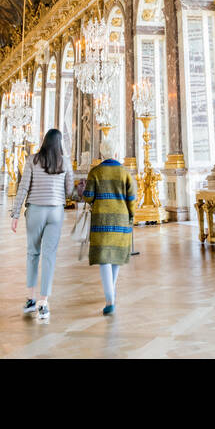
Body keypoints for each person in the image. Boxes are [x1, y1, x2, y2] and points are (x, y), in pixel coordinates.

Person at [10, 129, 74, 322]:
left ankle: (31, 299)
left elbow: (23, 187)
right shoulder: (65, 162)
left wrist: (15, 214)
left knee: (32, 254)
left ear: (44, 141)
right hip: (56, 211)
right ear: (60, 143)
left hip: (36, 210)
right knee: (49, 256)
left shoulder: (32, 160)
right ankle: (44, 303)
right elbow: (69, 191)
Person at [82, 135, 136, 316]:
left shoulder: (95, 172)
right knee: (116, 257)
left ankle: (110, 299)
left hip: (101, 221)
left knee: (104, 259)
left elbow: (88, 196)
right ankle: (111, 294)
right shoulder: (125, 172)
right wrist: (131, 216)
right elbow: (132, 199)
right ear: (115, 152)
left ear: (101, 153)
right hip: (121, 219)